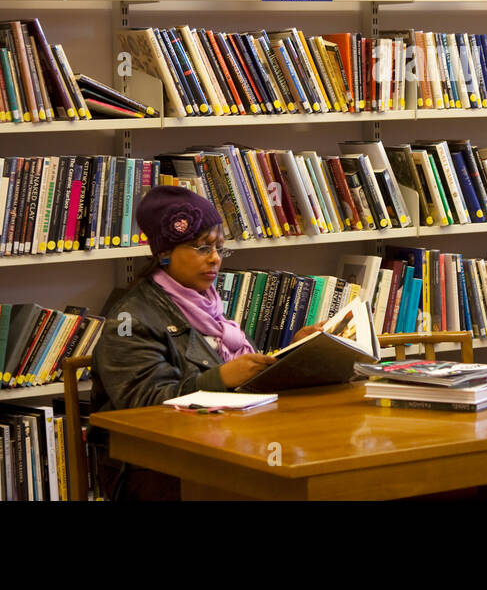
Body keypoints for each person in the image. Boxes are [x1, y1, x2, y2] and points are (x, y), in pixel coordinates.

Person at [90, 185, 320, 500]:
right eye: (202, 247)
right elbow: (142, 405)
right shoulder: (129, 321)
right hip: (157, 468)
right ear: (165, 253)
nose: (214, 259)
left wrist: (292, 354)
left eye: (219, 249)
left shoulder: (209, 307)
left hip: (225, 446)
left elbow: (245, 380)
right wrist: (220, 379)